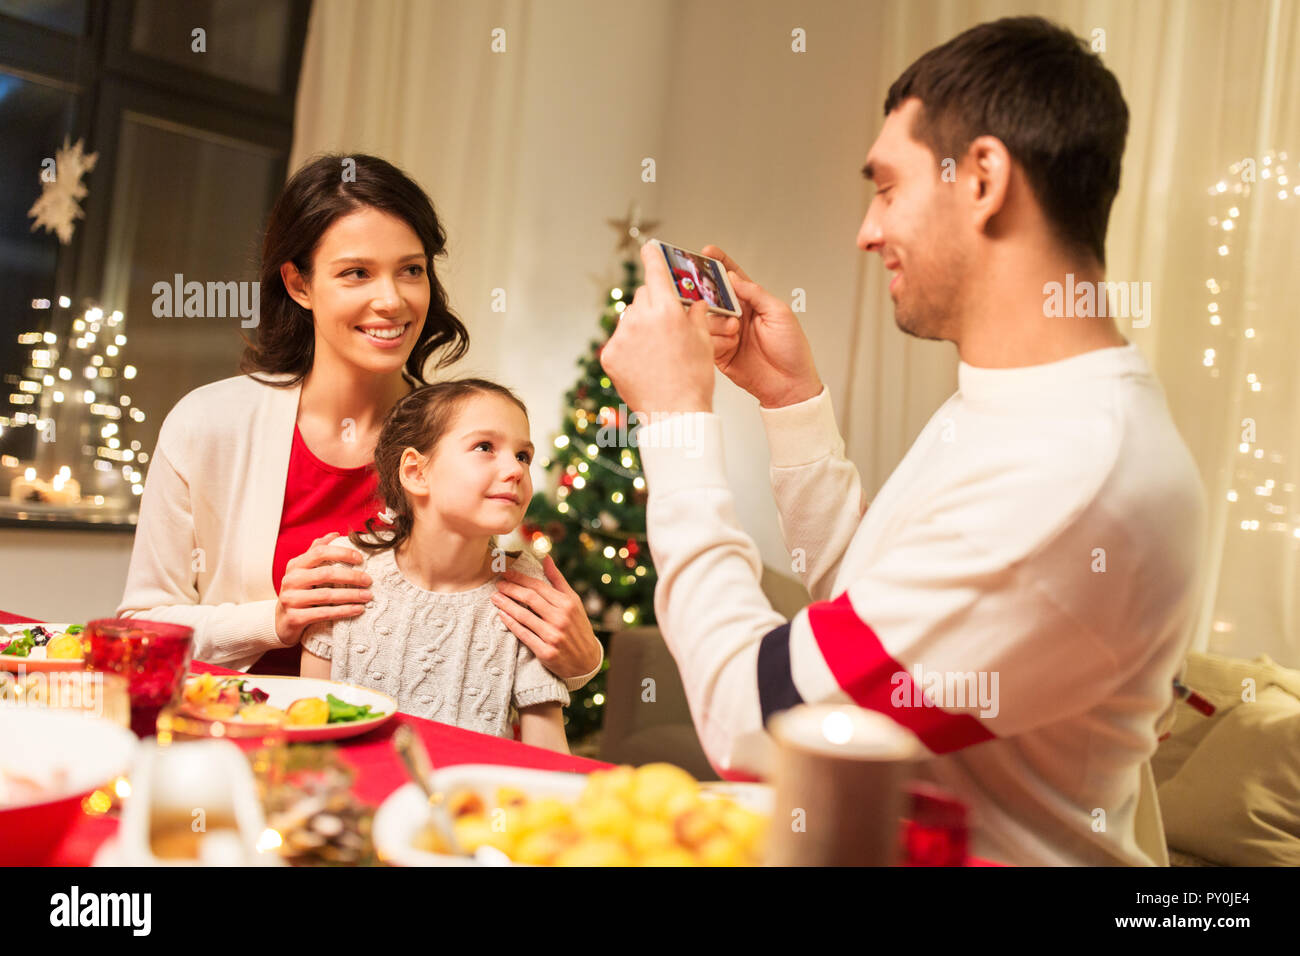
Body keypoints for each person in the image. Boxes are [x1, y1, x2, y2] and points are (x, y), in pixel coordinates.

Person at [599, 16, 1206, 865]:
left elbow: (760, 721)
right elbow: (884, 619)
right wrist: (791, 403)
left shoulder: (1070, 470)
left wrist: (673, 422)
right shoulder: (1019, 405)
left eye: (886, 188)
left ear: (984, 178)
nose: (866, 231)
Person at [118, 153, 603, 691]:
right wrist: (274, 620)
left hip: (413, 757)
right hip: (241, 736)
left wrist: (583, 661)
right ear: (299, 284)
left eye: (411, 270)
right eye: (356, 273)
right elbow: (139, 628)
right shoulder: (207, 425)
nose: (392, 300)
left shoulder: (465, 442)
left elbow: (486, 635)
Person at [301, 379, 571, 753]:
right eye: (485, 447)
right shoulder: (344, 569)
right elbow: (308, 725)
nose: (515, 469)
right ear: (415, 472)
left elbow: (549, 751)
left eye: (523, 455)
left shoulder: (525, 586)